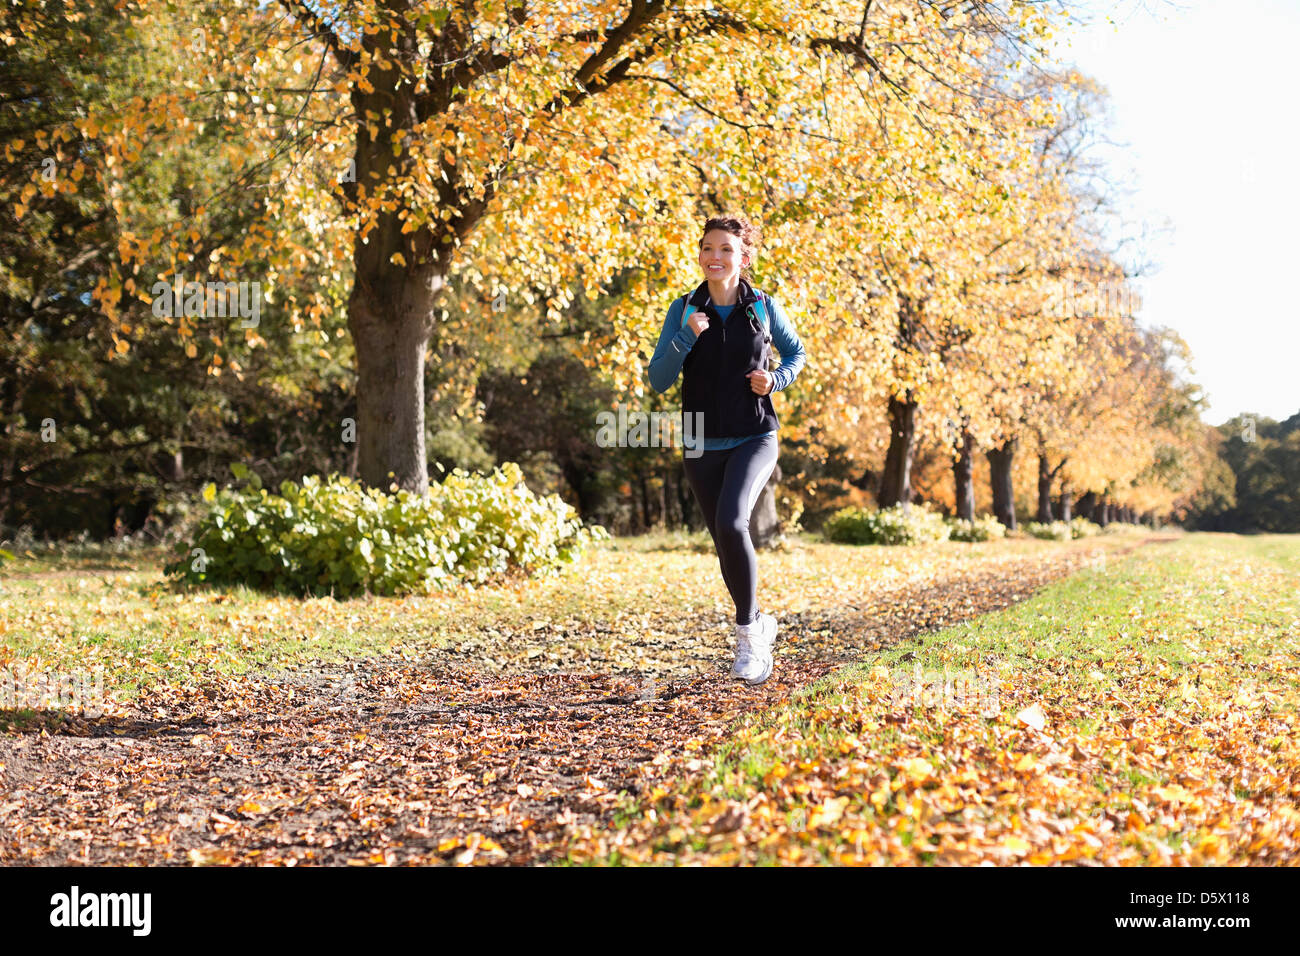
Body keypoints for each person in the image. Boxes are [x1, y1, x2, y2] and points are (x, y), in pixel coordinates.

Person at [646, 213, 807, 685]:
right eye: (708, 248)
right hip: (699, 437)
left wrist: (776, 379)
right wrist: (685, 336)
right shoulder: (683, 309)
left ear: (743, 257)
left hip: (755, 433)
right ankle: (757, 620)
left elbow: (796, 354)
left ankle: (749, 641)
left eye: (726, 250)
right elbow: (658, 380)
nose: (715, 257)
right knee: (724, 539)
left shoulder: (762, 306)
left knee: (732, 521)